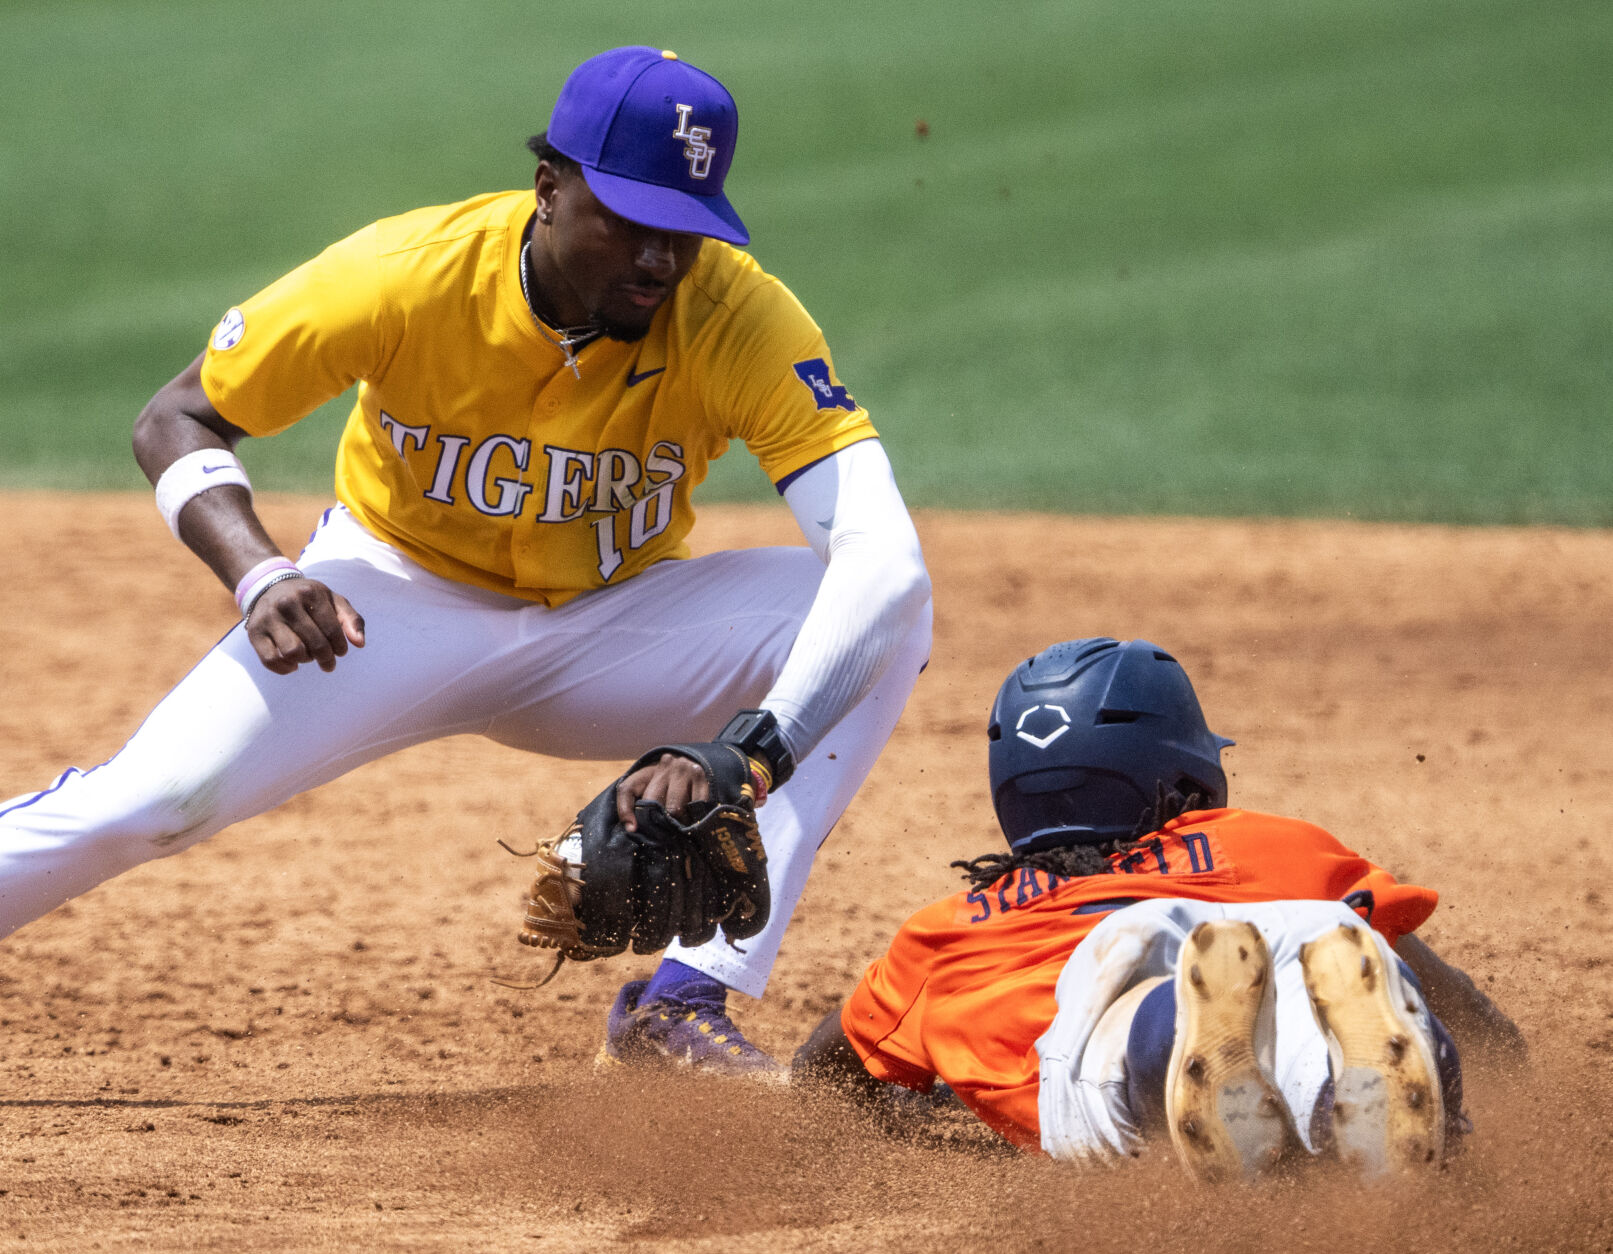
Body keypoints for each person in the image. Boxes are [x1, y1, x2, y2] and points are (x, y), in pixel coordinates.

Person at [0, 46, 931, 1076]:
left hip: (611, 632)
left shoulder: (735, 318)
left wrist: (754, 752)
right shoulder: (406, 273)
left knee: (881, 614)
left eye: (684, 230)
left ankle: (680, 1000)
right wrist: (261, 572)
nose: (658, 260)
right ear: (548, 188)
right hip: (380, 609)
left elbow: (881, 557)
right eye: (626, 220)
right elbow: (176, 418)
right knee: (155, 799)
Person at [793, 638, 1523, 1181]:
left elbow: (826, 1069)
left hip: (1097, 1045)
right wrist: (1506, 1058)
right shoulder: (1266, 846)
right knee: (1328, 948)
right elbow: (1438, 982)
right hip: (1267, 932)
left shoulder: (953, 932)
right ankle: (1347, 1092)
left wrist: (924, 1100)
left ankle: (1181, 1044)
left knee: (1113, 1030)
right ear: (1185, 773)